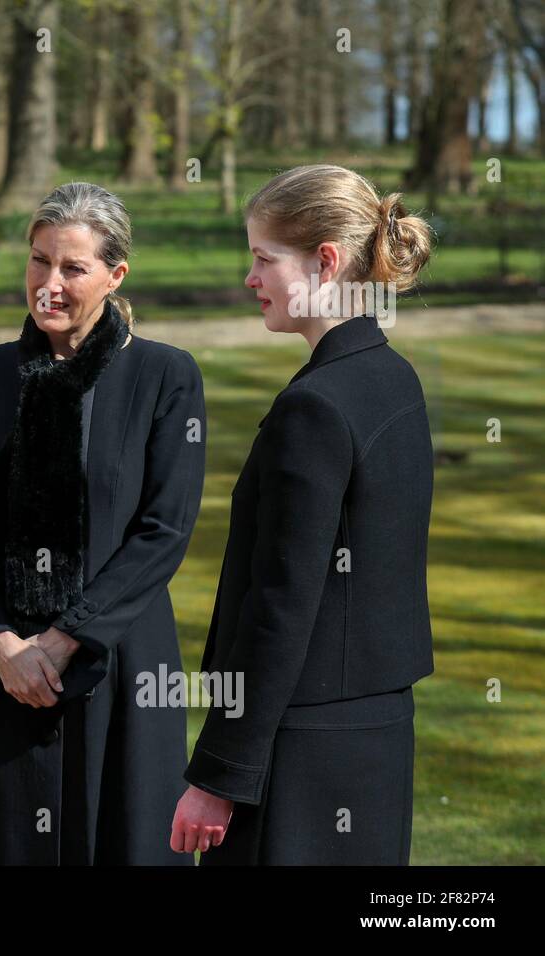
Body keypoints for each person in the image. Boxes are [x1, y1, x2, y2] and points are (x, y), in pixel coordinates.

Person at [0, 182, 207, 864]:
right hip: (6, 673)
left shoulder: (165, 377)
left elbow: (164, 530)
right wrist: (2, 646)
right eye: (38, 260)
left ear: (115, 277)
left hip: (122, 665)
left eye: (72, 268)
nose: (47, 284)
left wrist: (63, 641)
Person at [172, 164, 436, 865]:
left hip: (300, 754)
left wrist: (218, 776)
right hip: (377, 737)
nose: (251, 278)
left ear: (325, 260)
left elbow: (282, 607)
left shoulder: (314, 407)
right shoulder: (394, 378)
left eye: (263, 258)